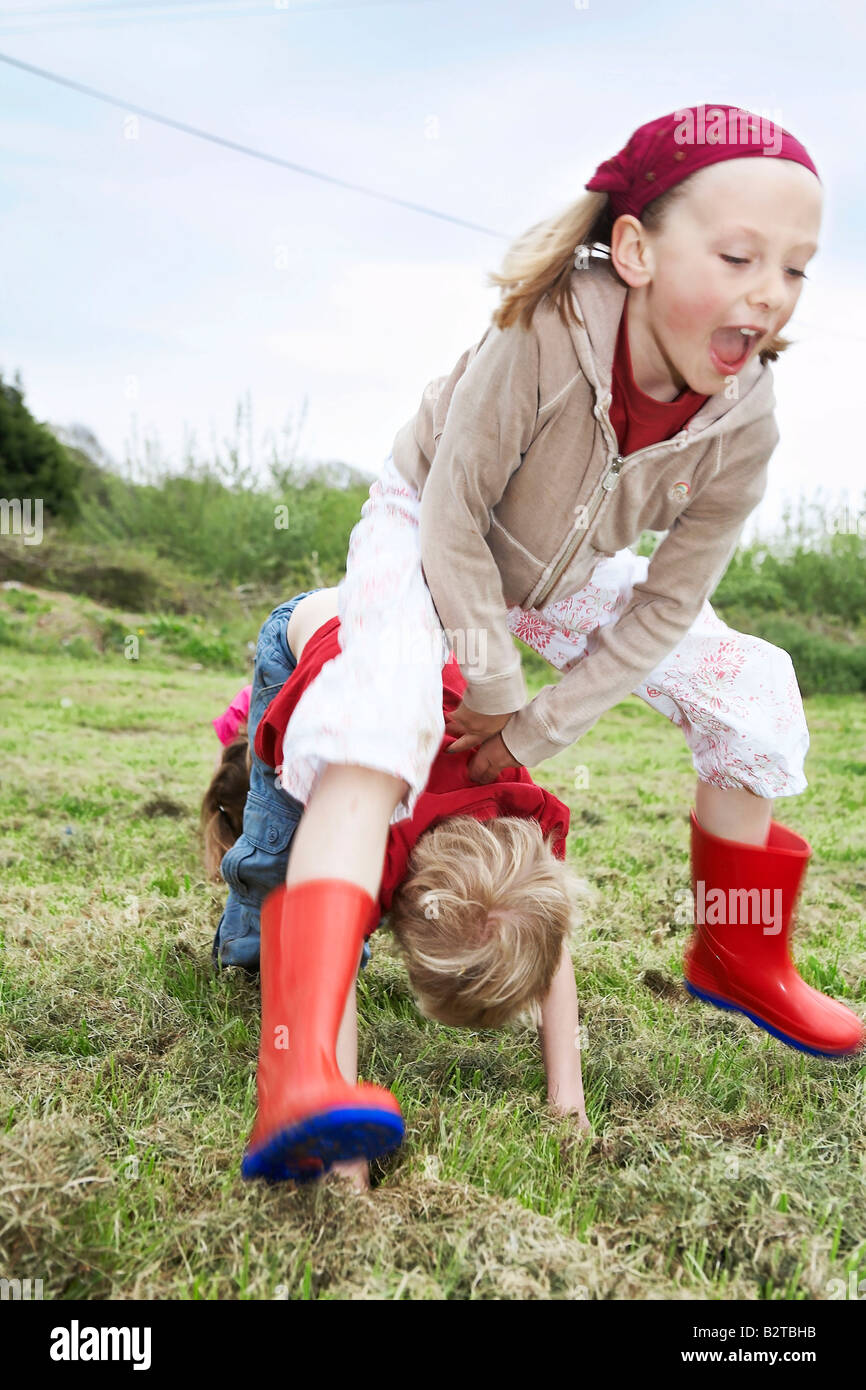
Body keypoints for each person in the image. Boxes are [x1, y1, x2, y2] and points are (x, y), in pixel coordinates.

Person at [246, 103, 864, 1182]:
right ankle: (299, 1067)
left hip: (557, 574)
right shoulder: (537, 334)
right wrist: (488, 680)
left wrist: (534, 725)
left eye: (795, 269)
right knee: (372, 726)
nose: (769, 292)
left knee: (751, 685)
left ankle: (737, 945)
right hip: (427, 524)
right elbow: (450, 516)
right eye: (735, 256)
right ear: (631, 249)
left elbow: (667, 605)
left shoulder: (744, 417)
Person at [208, 589, 590, 1187]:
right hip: (310, 636)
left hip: (395, 641)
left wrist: (569, 1103)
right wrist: (344, 1155)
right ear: (402, 914)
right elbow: (333, 977)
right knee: (282, 860)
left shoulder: (523, 839)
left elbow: (551, 950)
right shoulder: (373, 847)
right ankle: (244, 946)